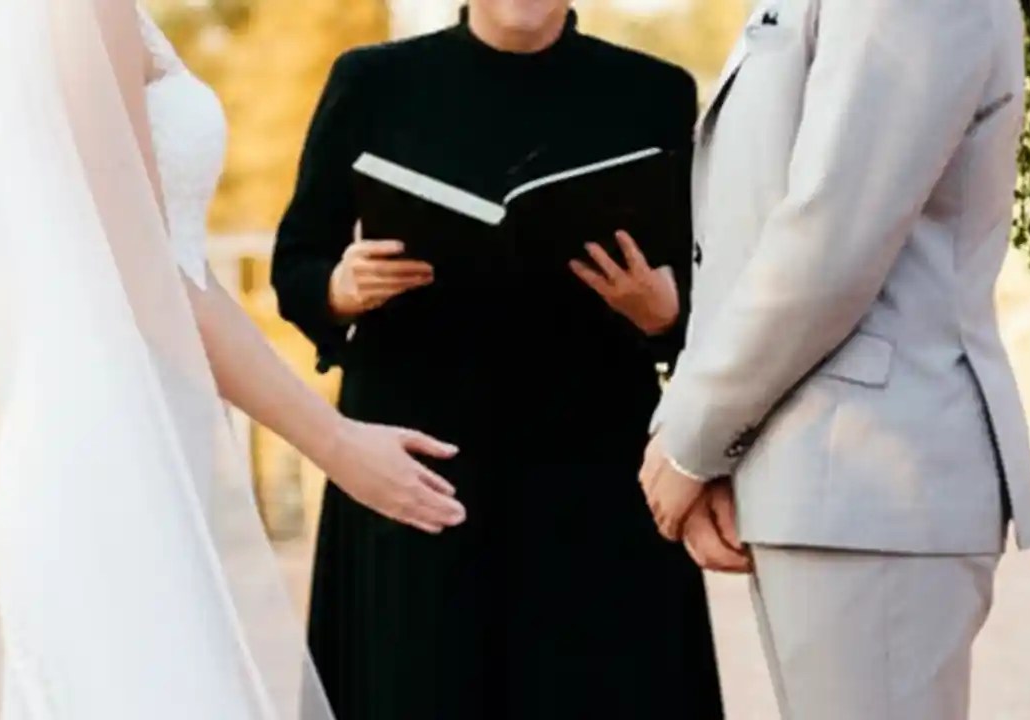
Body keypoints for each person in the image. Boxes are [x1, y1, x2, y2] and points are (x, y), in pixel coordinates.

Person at [0, 0, 465, 716]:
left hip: (135, 428)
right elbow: (152, 281)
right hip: (100, 452)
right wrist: (336, 444)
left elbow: (174, 263)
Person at [271, 2, 722, 718]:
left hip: (594, 470)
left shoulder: (654, 91)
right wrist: (341, 286)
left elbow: (704, 284)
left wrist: (664, 309)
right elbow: (297, 263)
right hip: (418, 469)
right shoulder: (371, 81)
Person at [641, 1, 1030, 718]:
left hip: (875, 477)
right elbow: (749, 228)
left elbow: (830, 240)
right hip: (824, 475)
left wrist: (695, 440)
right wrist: (711, 440)